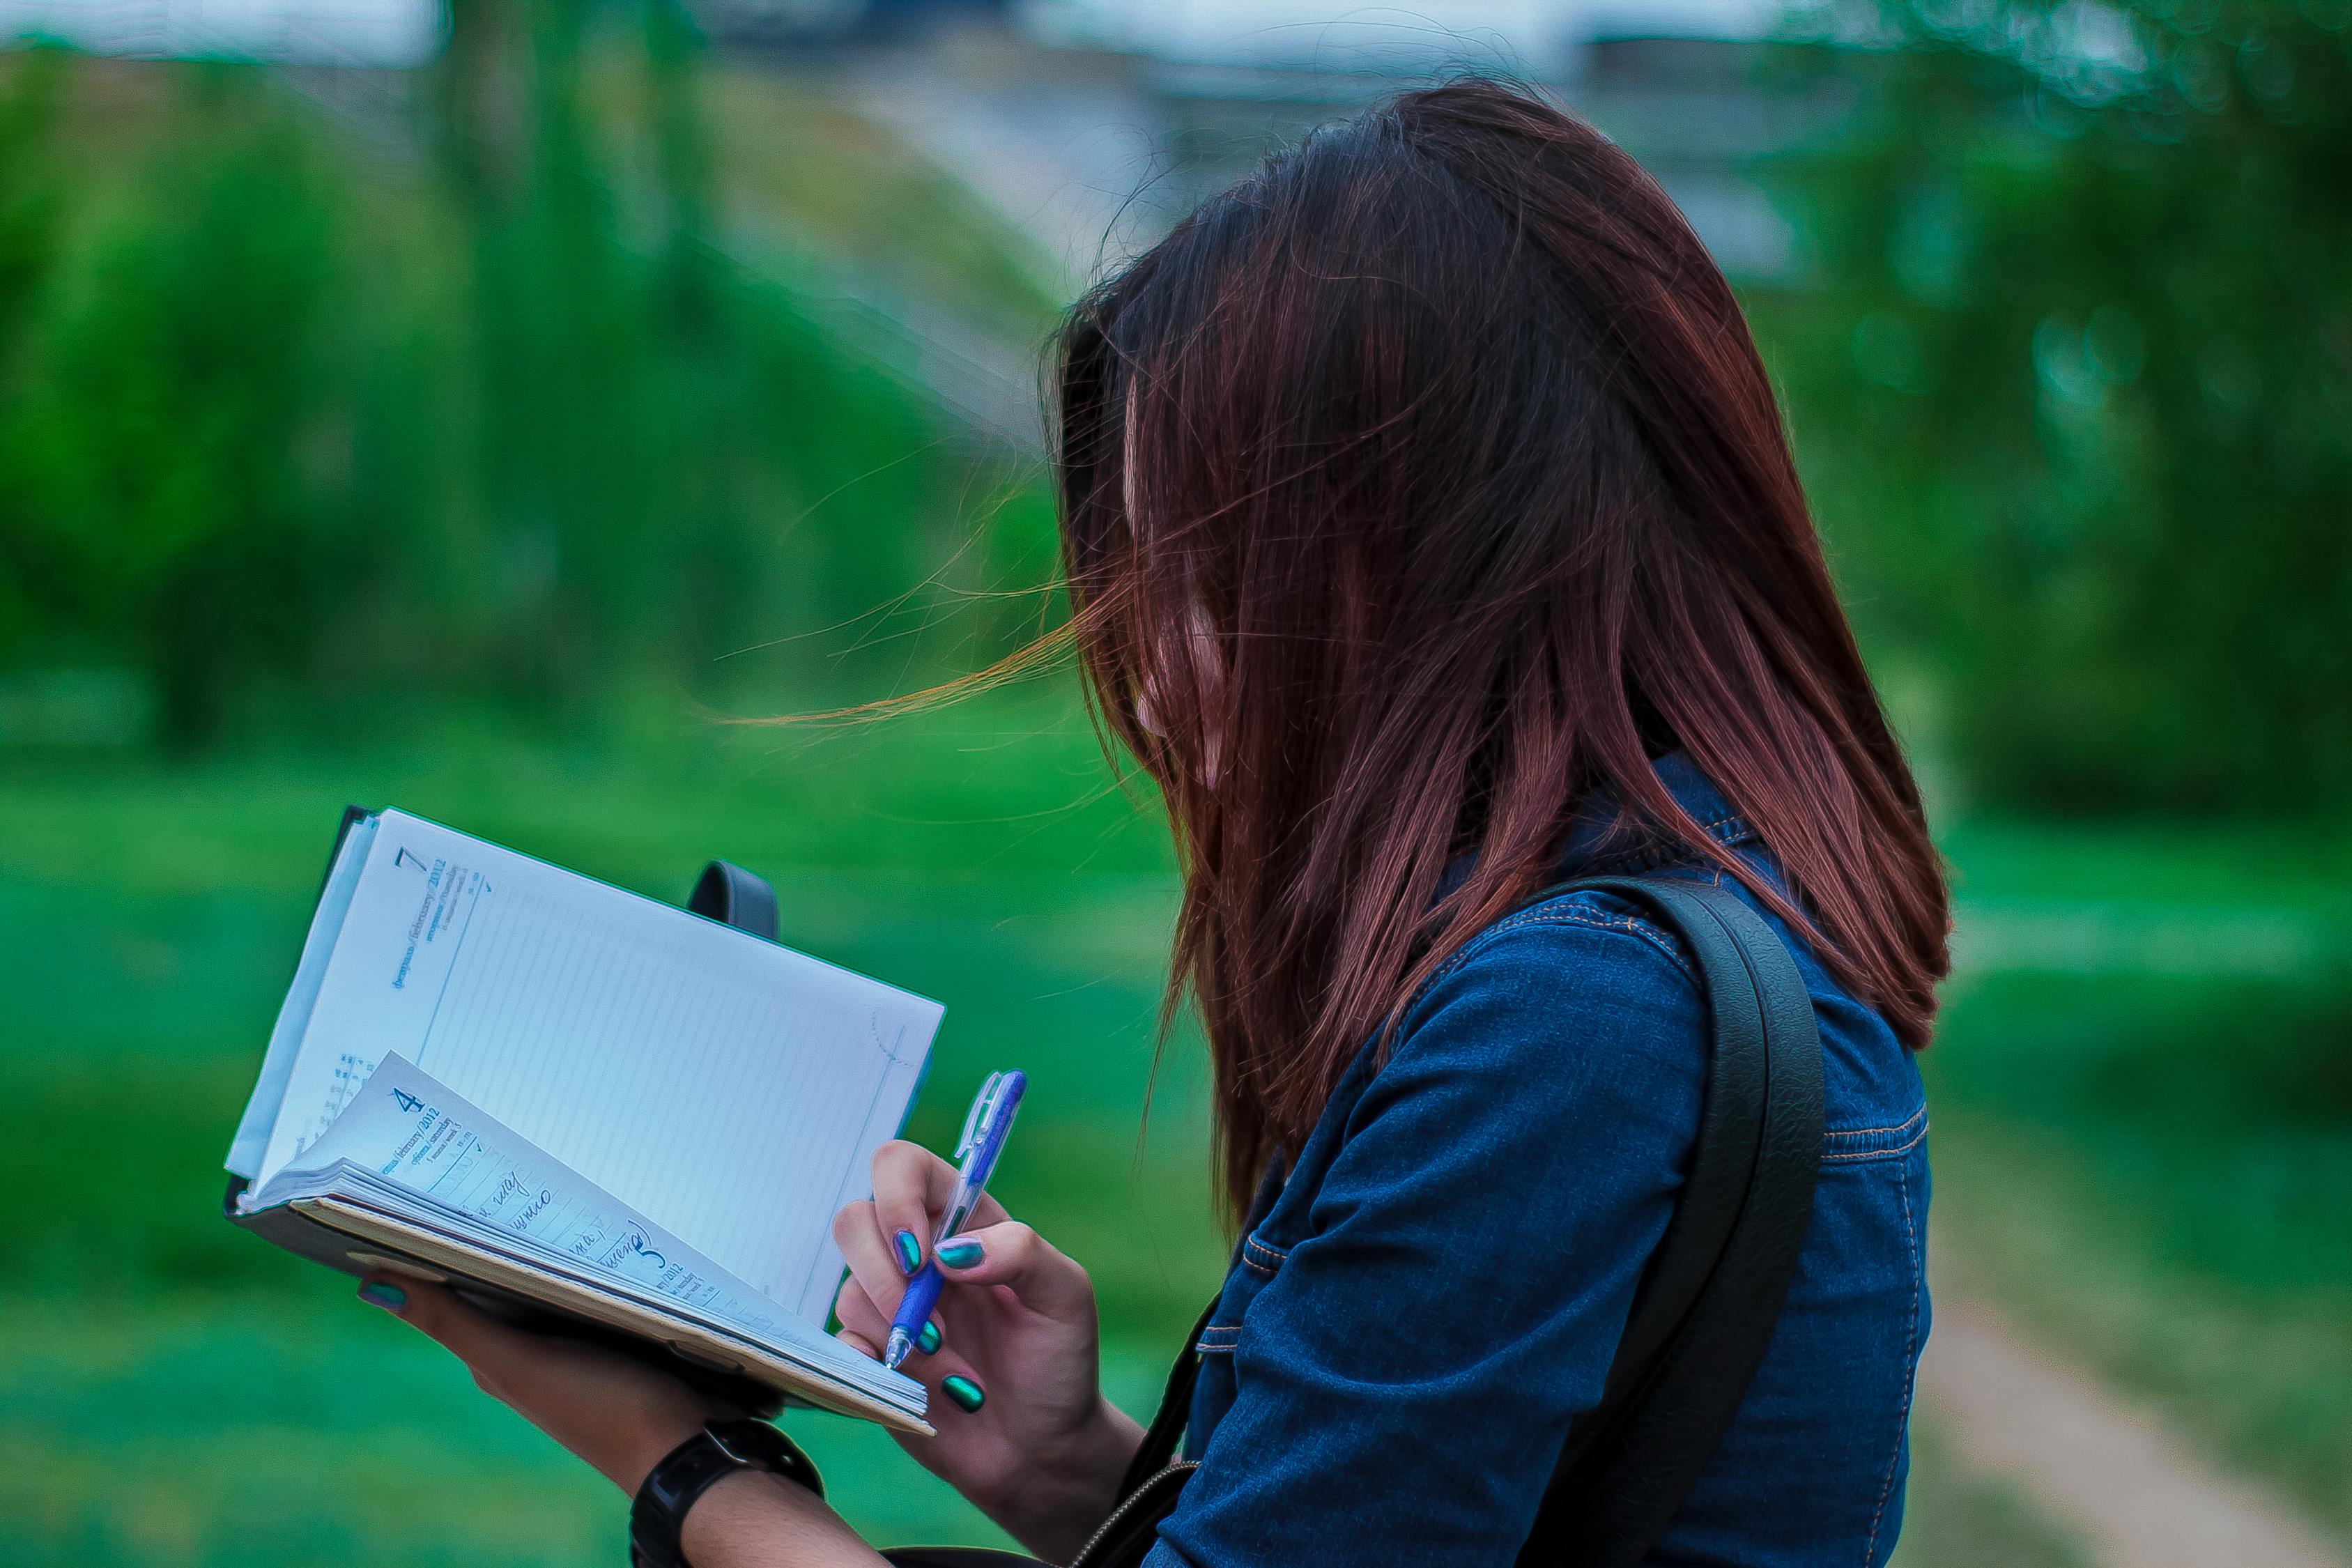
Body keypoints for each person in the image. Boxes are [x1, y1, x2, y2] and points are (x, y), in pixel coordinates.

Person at [356, 77, 1949, 1567]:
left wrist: (685, 1468)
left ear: (1415, 548)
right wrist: (1077, 1467)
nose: (1157, 678)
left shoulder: (1570, 1021)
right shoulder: (1703, 937)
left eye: (1199, 580)